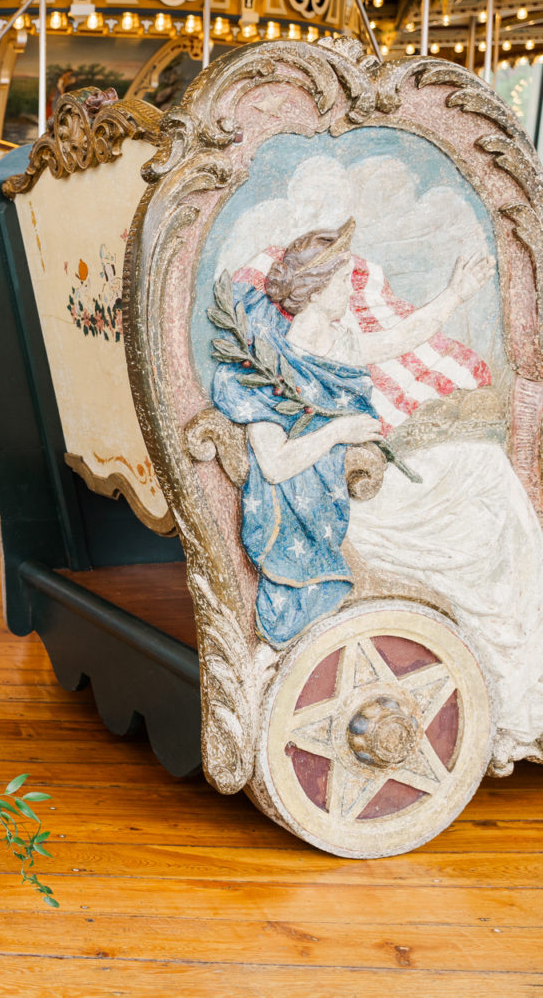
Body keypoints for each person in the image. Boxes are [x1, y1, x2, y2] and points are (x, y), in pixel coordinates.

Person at [213, 219, 543, 770]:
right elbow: (274, 463)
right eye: (344, 282)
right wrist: (338, 433)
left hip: (357, 484)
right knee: (483, 506)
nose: (353, 289)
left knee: (484, 469)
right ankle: (511, 699)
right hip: (335, 506)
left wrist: (455, 294)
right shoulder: (261, 369)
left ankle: (518, 688)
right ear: (315, 293)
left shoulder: (338, 342)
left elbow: (401, 338)